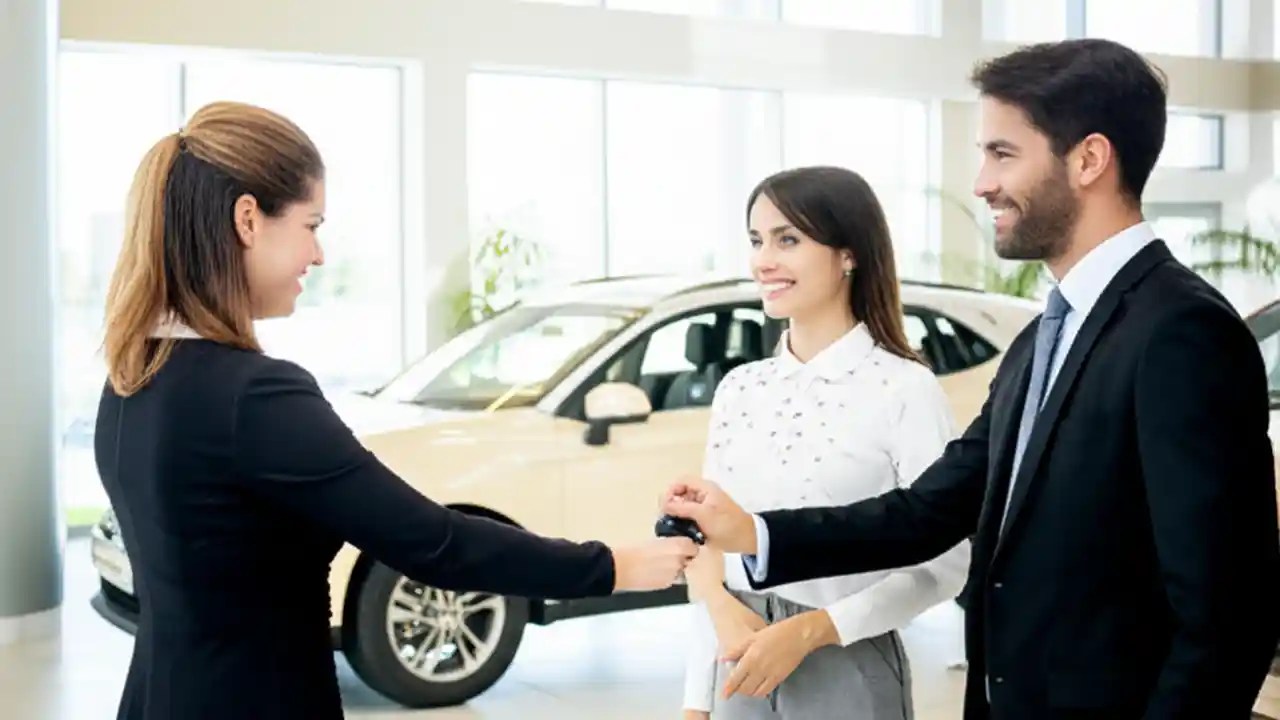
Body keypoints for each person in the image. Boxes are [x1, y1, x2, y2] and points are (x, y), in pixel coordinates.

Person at [664, 38, 1280, 719]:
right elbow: (928, 512)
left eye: (1002, 153)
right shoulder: (1040, 342)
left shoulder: (1182, 332)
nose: (982, 181)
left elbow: (1229, 614)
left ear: (1089, 159)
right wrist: (752, 531)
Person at [94, 100, 699, 720]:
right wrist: (614, 565)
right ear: (248, 218)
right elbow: (433, 543)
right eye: (311, 224)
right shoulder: (255, 395)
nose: (320, 254)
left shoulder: (131, 379)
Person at [679, 167, 970, 720]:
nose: (764, 259)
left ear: (848, 255)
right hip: (735, 663)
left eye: (787, 239)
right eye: (756, 240)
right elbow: (708, 544)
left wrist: (816, 630)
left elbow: (947, 563)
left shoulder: (903, 388)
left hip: (845, 663)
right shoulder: (739, 389)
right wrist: (697, 701)